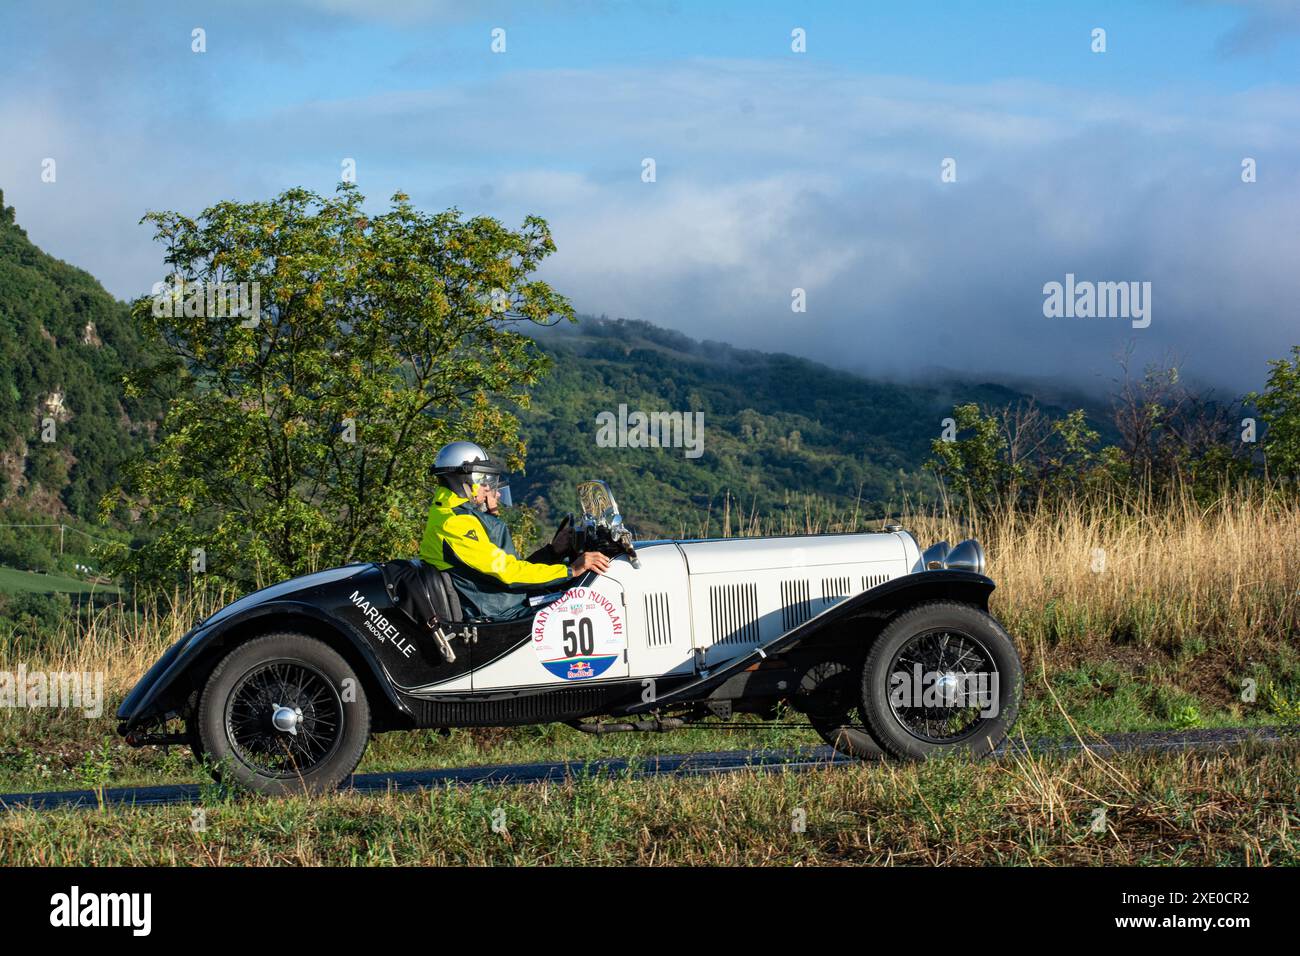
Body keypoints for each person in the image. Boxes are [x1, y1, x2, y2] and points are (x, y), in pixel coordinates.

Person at [419, 441, 610, 620]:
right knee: (584, 609)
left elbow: (506, 567)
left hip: (501, 602)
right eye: (482, 479)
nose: (487, 487)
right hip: (499, 614)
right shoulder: (455, 523)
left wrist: (551, 552)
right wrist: (571, 571)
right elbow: (508, 573)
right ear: (461, 479)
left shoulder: (454, 515)